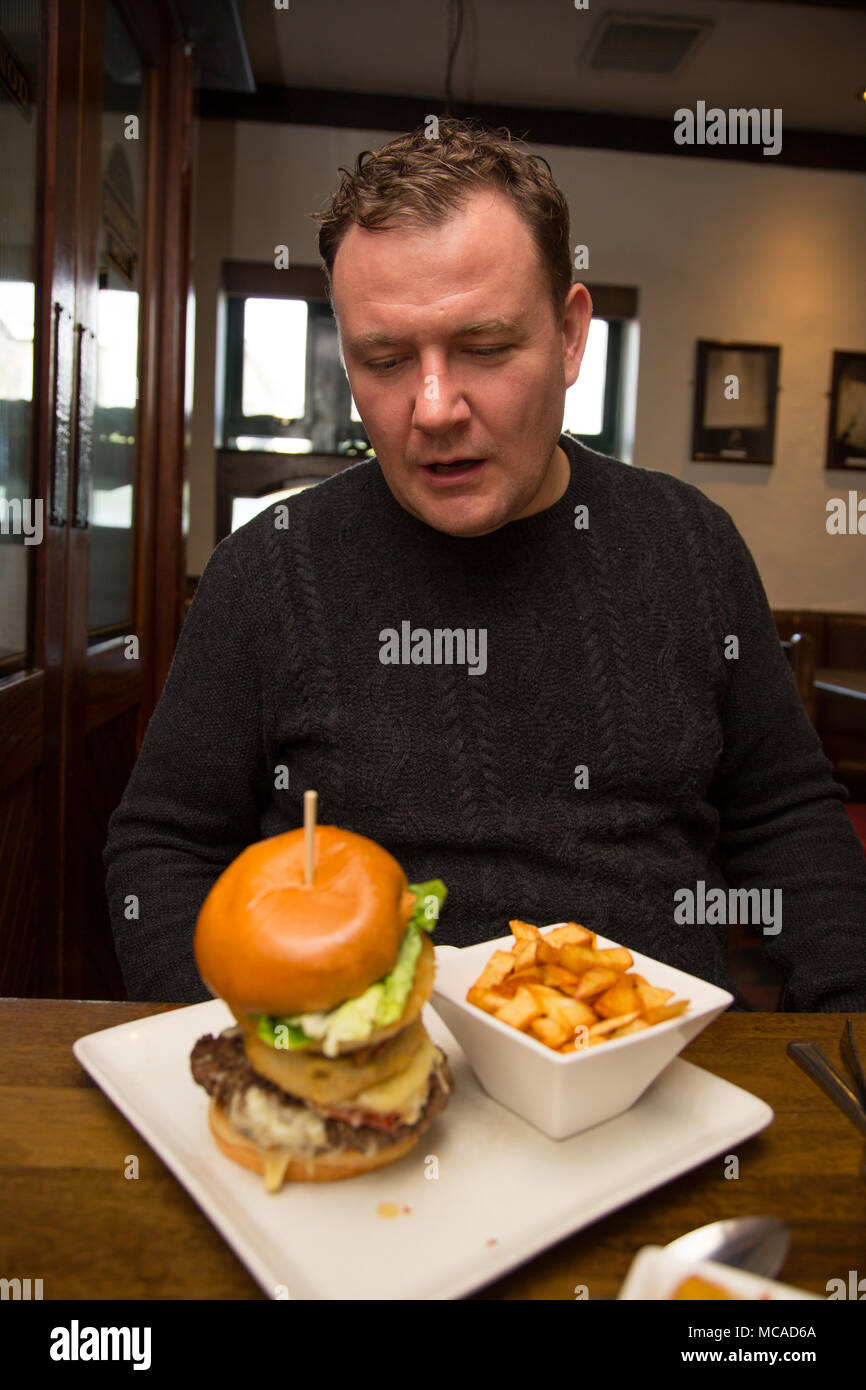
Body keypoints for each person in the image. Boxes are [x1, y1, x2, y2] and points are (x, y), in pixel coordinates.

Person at [104, 118, 866, 1010]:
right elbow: (161, 848)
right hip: (370, 1088)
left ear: (573, 336)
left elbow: (787, 819)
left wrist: (848, 1007)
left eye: (487, 348)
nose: (433, 409)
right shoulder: (265, 572)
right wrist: (265, 1050)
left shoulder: (690, 546)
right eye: (384, 359)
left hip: (655, 1079)